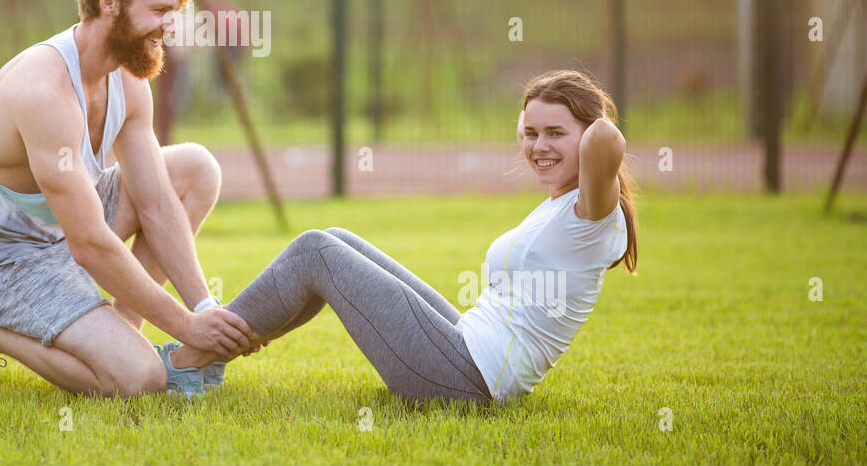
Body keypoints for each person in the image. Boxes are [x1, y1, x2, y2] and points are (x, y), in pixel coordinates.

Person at [161, 70, 640, 406]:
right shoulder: (562, 204)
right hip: (465, 349)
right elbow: (584, 139)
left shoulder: (592, 216)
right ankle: (217, 355)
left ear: (584, 134)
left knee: (314, 251)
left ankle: (189, 359)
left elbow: (606, 141)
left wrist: (593, 114)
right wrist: (559, 128)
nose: (538, 146)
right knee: (334, 238)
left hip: (465, 377)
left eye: (556, 132)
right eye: (529, 132)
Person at [0, 0, 255, 396]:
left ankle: (122, 336)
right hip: (0, 262)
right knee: (141, 379)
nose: (173, 26)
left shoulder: (127, 78)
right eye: (161, 9)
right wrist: (185, 328)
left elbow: (158, 201)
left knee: (195, 170)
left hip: (56, 234)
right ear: (109, 3)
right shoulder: (44, 90)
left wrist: (204, 309)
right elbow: (90, 244)